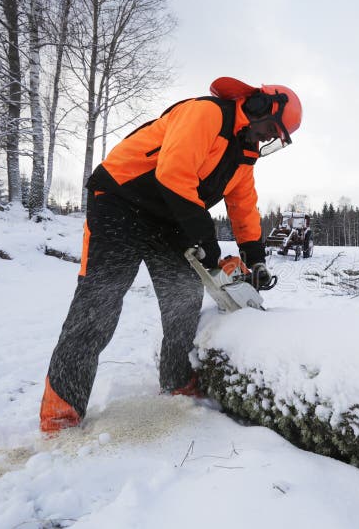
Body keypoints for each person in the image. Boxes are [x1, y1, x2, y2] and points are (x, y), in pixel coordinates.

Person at [39, 77, 302, 433]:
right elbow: (173, 172)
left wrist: (255, 257)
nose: (267, 138)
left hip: (168, 215)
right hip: (121, 200)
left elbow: (244, 206)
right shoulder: (207, 114)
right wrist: (205, 239)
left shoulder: (245, 156)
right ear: (259, 107)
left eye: (275, 137)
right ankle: (60, 412)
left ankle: (177, 383)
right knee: (99, 302)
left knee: (185, 298)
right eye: (270, 128)